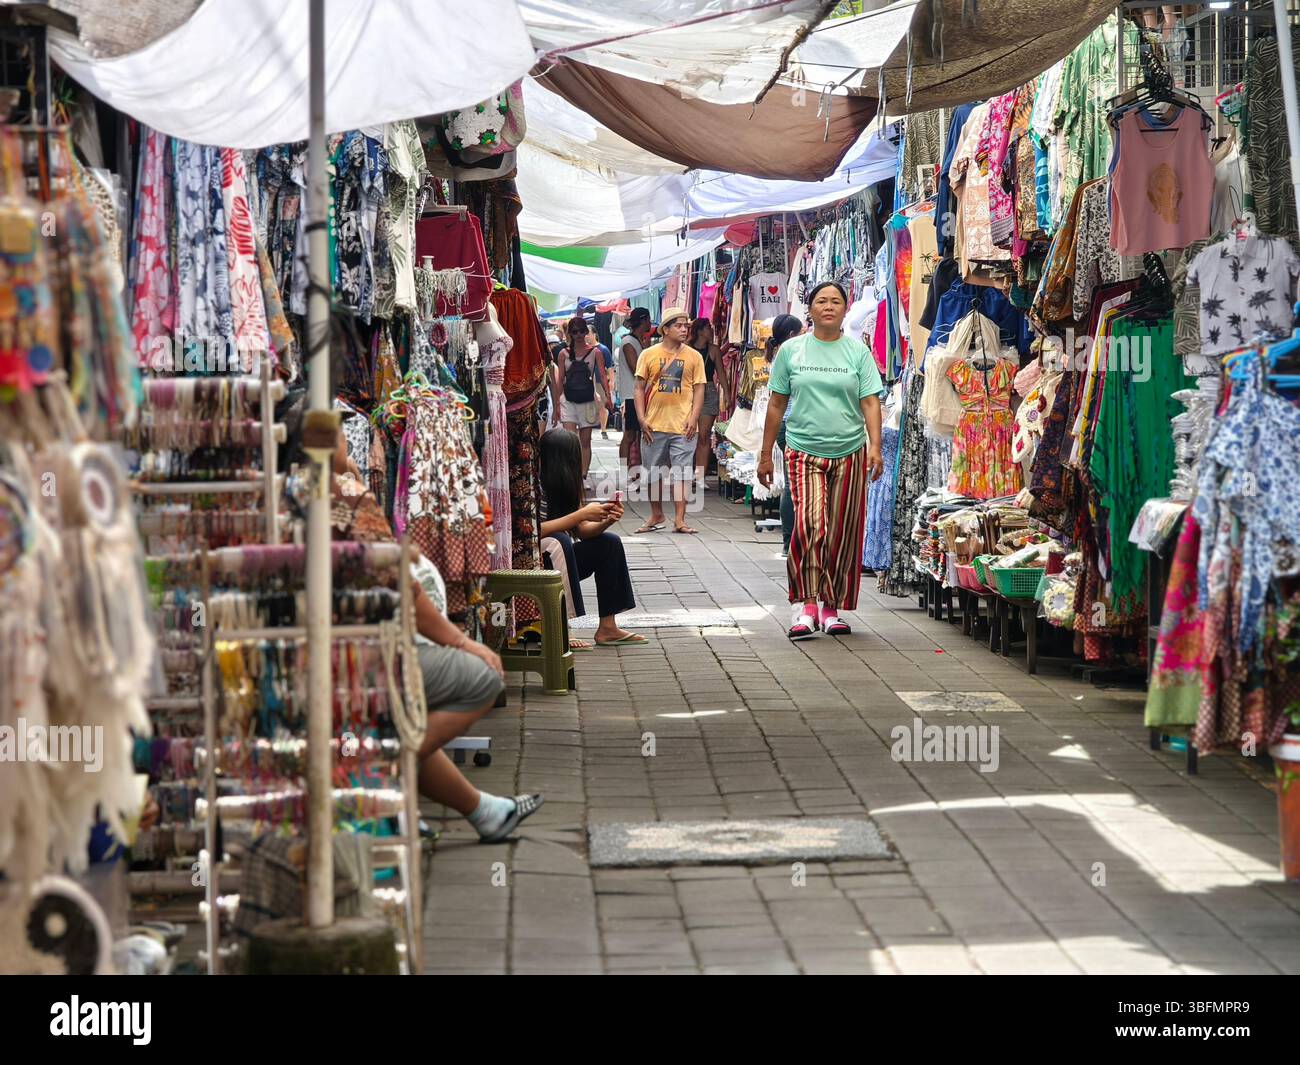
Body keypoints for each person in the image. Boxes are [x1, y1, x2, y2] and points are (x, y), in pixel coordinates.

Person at [325, 430, 543, 841]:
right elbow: (403, 586)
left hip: (318, 650)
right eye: (337, 435)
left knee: (407, 725)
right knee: (484, 677)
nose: (346, 441)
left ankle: (485, 812)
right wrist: (462, 641)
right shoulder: (345, 494)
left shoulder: (284, 493)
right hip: (359, 657)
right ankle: (380, 778)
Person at [757, 282, 886, 640]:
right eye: (821, 301)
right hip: (803, 450)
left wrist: (875, 446)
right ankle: (806, 604)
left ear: (846, 310)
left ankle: (831, 607)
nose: (828, 307)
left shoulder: (857, 352)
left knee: (842, 531)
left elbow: (871, 402)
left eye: (836, 301)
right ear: (809, 309)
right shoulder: (791, 351)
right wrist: (766, 454)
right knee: (811, 523)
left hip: (849, 450)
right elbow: (777, 404)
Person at [538, 427, 646, 647]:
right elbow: (533, 531)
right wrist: (581, 514)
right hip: (537, 561)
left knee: (610, 543)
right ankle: (561, 627)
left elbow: (582, 530)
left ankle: (608, 627)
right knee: (560, 540)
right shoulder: (533, 485)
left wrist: (606, 520)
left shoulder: (567, 485)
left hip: (562, 559)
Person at [633, 307, 706, 535]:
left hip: (683, 425)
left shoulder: (694, 356)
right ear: (665, 329)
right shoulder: (648, 354)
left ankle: (680, 520)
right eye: (679, 325)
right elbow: (638, 388)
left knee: (682, 472)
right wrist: (641, 419)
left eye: (686, 325)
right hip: (653, 425)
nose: (684, 329)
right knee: (653, 472)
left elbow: (700, 389)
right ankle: (656, 514)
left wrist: (694, 418)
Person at [761, 313, 805, 557]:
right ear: (791, 336)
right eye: (801, 333)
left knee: (794, 483)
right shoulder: (788, 355)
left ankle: (792, 542)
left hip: (786, 425)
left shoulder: (781, 354)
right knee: (793, 485)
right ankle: (790, 542)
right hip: (790, 424)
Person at [557, 316, 614, 479]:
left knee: (585, 441)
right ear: (570, 333)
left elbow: (603, 376)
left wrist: (608, 397)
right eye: (575, 331)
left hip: (587, 400)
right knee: (570, 441)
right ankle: (574, 474)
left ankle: (583, 474)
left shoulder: (596, 352)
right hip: (568, 400)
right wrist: (557, 404)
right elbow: (560, 379)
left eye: (582, 331)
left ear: (587, 332)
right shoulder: (563, 354)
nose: (579, 335)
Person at [687, 317, 729, 489]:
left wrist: (726, 392)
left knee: (703, 436)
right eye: (708, 328)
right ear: (699, 330)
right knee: (687, 435)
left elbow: (720, 372)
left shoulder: (714, 350)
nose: (711, 331)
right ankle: (687, 474)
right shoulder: (686, 349)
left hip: (708, 391)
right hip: (688, 392)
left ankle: (700, 476)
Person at [614, 308, 653, 489]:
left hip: (638, 395)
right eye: (648, 320)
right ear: (642, 321)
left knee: (636, 435)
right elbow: (636, 369)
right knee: (630, 435)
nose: (650, 324)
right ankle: (625, 472)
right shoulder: (629, 342)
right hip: (632, 395)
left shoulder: (636, 341)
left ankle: (636, 472)